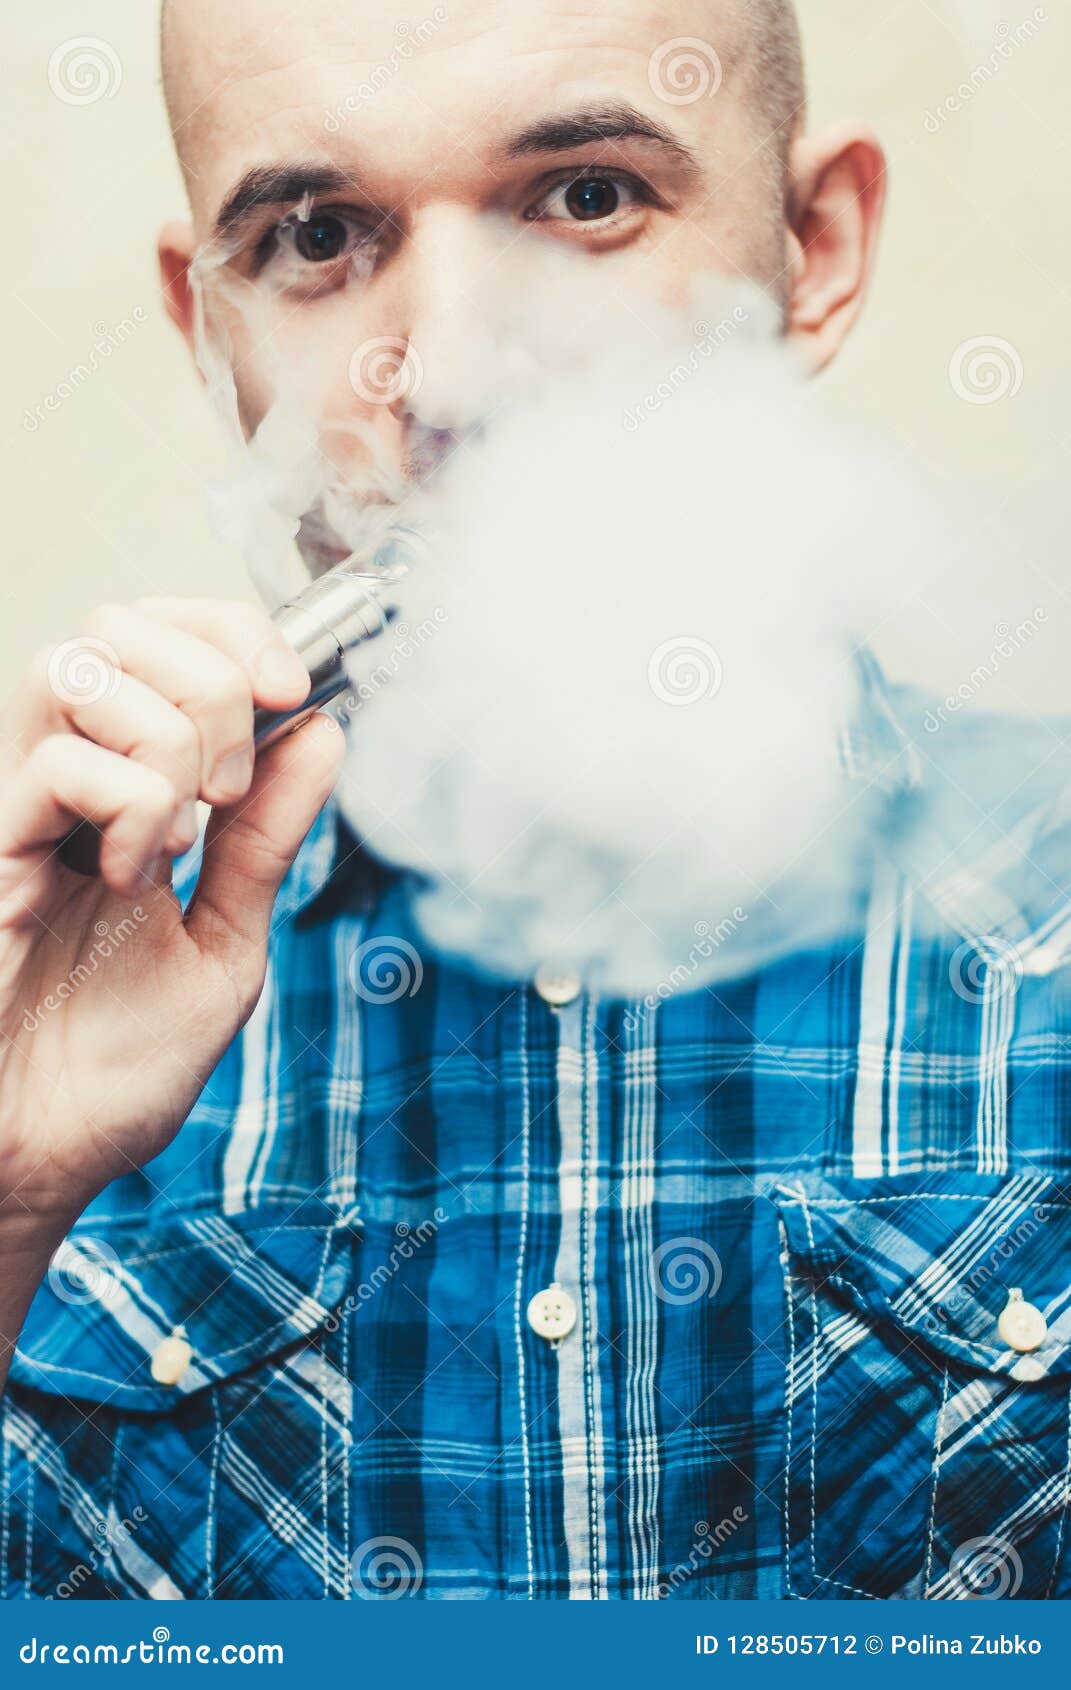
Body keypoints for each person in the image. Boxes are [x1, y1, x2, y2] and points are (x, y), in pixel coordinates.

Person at [0, 0, 1066, 1602]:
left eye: (583, 199)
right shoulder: (59, 993)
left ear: (816, 249)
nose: (449, 379)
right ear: (210, 328)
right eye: (313, 235)